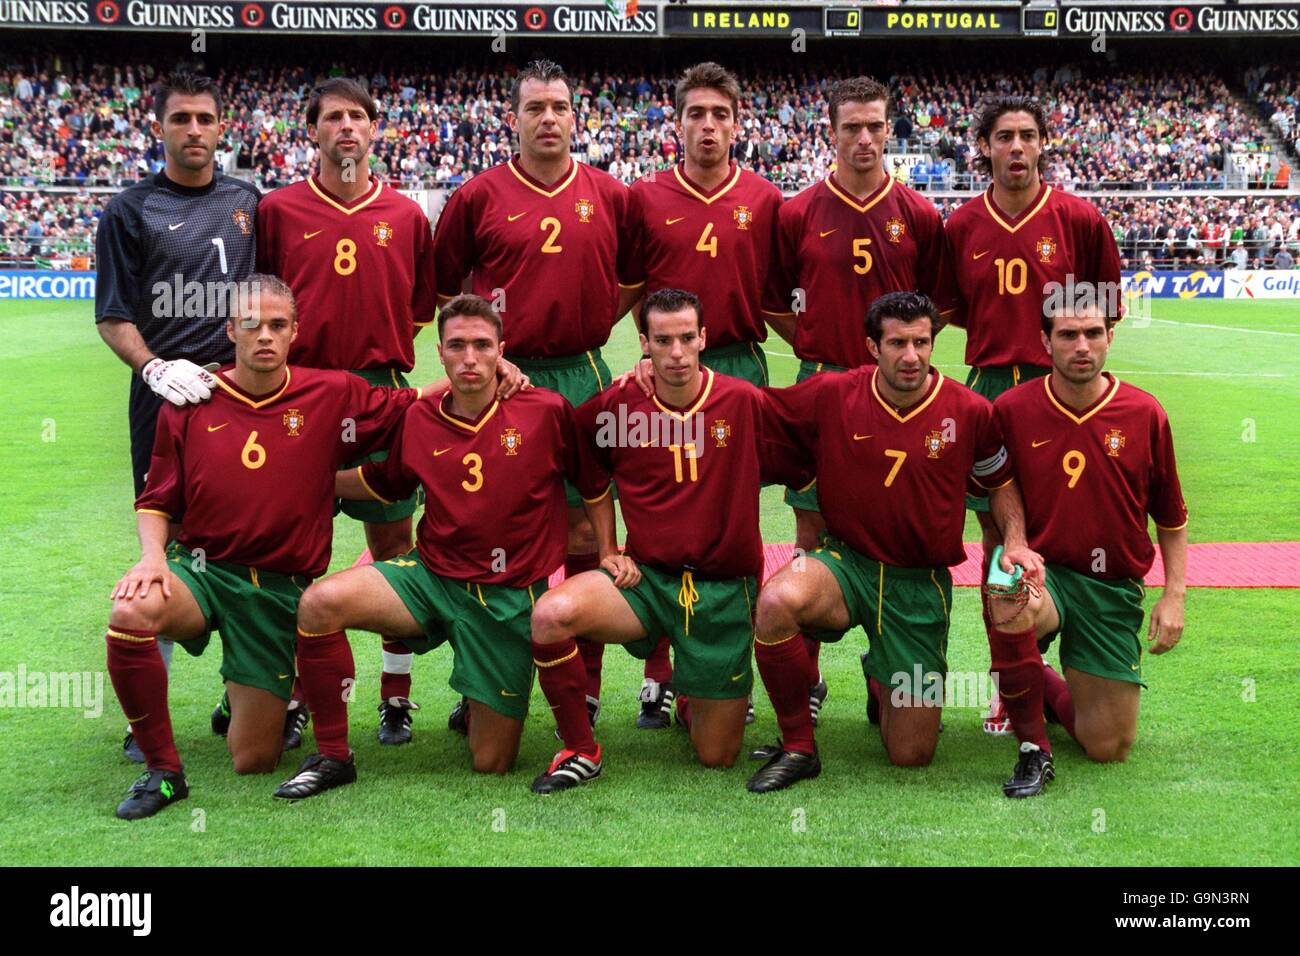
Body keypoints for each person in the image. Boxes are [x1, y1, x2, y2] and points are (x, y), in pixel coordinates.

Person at [104, 276, 420, 819]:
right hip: (200, 571)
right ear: (230, 329)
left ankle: (242, 688)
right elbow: (157, 498)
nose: (264, 335)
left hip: (275, 591)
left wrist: (496, 375)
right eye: (251, 324)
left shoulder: (332, 392)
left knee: (254, 758)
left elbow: (413, 405)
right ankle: (162, 771)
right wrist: (152, 557)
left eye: (277, 325)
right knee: (130, 611)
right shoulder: (191, 398)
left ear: (296, 332)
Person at [274, 295, 605, 799]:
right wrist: (311, 478)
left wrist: (609, 551)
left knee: (491, 762)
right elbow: (387, 483)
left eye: (481, 345)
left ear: (502, 351)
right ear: (440, 352)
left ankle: (479, 696)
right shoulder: (421, 415)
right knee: (319, 604)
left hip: (507, 597)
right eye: (457, 346)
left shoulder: (546, 411)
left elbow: (593, 485)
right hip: (429, 578)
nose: (469, 358)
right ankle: (334, 755)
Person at [258, 78, 505, 747]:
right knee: (286, 556)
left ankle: (396, 699)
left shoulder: (404, 215)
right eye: (332, 117)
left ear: (375, 131)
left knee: (395, 548)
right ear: (310, 131)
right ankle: (285, 696)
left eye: (358, 116)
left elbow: (423, 308)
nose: (346, 126)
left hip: (381, 396)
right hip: (297, 397)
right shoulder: (277, 210)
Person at [747, 292, 1040, 793]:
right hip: (845, 565)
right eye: (898, 343)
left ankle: (883, 674)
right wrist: (665, 376)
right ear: (872, 347)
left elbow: (999, 479)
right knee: (776, 600)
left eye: (922, 342)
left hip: (918, 585)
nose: (912, 356)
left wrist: (1014, 539)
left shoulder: (968, 410)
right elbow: (752, 406)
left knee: (910, 754)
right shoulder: (834, 393)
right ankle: (799, 746)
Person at [527, 289, 807, 792]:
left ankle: (689, 696)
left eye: (685, 338)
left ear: (703, 338)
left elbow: (805, 459)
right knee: (550, 615)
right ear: (643, 343)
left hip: (723, 593)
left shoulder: (743, 402)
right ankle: (580, 749)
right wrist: (608, 548)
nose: (676, 353)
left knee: (717, 757)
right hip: (648, 583)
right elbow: (582, 459)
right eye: (662, 340)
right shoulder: (619, 402)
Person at [432, 60, 630, 732]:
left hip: (581, 374)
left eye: (561, 107)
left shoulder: (608, 193)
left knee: (584, 529)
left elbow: (631, 276)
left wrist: (591, 313)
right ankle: (483, 681)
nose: (549, 118)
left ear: (576, 118)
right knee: (489, 531)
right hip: (499, 382)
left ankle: (590, 683)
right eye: (536, 107)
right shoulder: (477, 196)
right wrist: (490, 356)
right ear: (512, 118)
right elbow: (444, 291)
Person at [763, 76, 950, 725]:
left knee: (895, 530)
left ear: (888, 130)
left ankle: (886, 676)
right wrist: (820, 349)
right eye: (852, 127)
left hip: (900, 399)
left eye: (876, 126)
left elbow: (937, 307)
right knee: (812, 532)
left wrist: (894, 360)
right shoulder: (797, 212)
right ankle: (806, 681)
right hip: (822, 392)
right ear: (832, 132)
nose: (865, 138)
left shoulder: (921, 214)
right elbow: (770, 299)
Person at [935, 95, 1121, 735]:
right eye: (1003, 137)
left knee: (1061, 530)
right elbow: (948, 307)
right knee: (997, 539)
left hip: (1056, 394)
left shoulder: (1078, 219)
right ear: (984, 146)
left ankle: (1065, 664)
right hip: (988, 390)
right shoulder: (960, 226)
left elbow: (1100, 315)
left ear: (1044, 143)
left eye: (1027, 136)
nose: (1016, 147)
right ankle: (1008, 684)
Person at [95, 72, 260, 763]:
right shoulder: (128, 210)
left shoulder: (249, 202)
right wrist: (154, 369)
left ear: (223, 128)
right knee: (161, 539)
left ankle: (243, 692)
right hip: (164, 404)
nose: (195, 130)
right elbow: (112, 315)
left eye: (206, 119)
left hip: (241, 403)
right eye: (182, 119)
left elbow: (270, 301)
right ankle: (147, 717)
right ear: (159, 127)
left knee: (247, 543)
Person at [617, 62, 785, 728]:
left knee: (733, 528)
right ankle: (659, 675)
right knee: (658, 516)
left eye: (721, 115)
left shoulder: (766, 200)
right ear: (677, 123)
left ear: (737, 123)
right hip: (665, 373)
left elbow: (780, 298)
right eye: (697, 114)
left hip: (739, 369)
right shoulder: (644, 197)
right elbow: (626, 289)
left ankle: (724, 672)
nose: (708, 125)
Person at [986, 303, 1187, 798]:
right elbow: (996, 485)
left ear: (1110, 338)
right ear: (1044, 342)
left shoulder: (1144, 412)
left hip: (1112, 586)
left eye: (1093, 333)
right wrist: (1011, 548)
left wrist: (1174, 595)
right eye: (1069, 334)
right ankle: (1034, 746)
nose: (1082, 346)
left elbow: (1172, 518)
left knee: (1109, 746)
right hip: (1045, 573)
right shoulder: (1011, 409)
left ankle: (1038, 684)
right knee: (1009, 595)